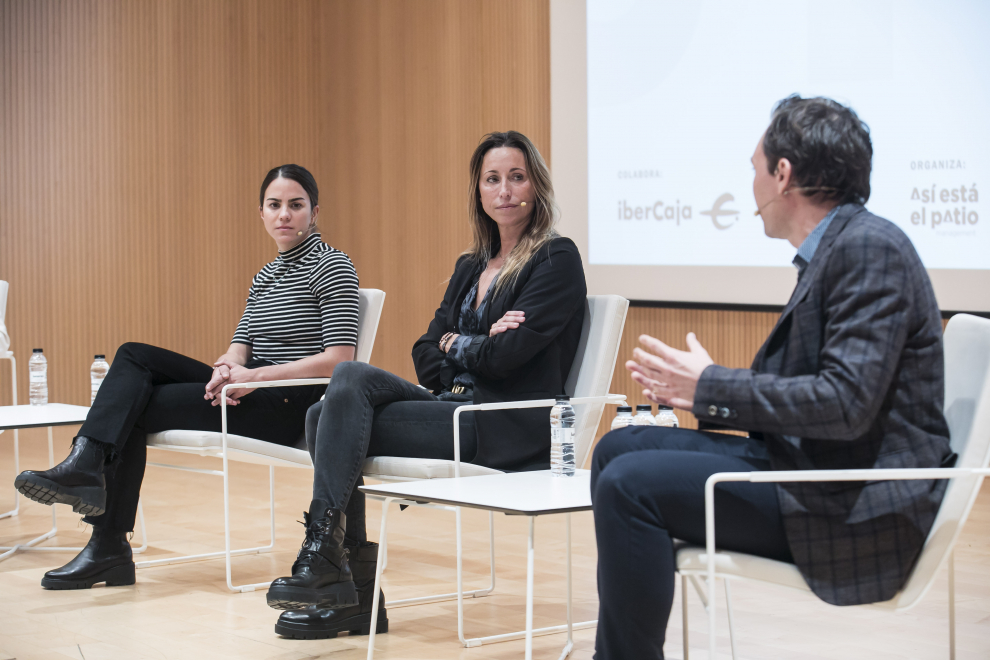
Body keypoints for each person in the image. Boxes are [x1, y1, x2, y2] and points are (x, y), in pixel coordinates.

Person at [591, 96, 954, 659]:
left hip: (854, 505)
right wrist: (703, 391)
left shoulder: (867, 249)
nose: (752, 187)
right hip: (815, 468)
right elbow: (818, 393)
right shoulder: (841, 247)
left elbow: (844, 404)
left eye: (755, 168)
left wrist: (709, 385)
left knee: (628, 484)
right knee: (617, 449)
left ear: (783, 175)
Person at [267, 130, 587, 640]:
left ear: (537, 186)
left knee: (328, 408)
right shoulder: (470, 266)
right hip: (453, 406)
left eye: (516, 177)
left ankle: (337, 572)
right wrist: (472, 343)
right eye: (492, 179)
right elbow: (424, 353)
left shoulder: (556, 259)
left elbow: (507, 360)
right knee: (329, 403)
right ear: (478, 192)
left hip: (504, 424)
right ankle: (341, 578)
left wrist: (457, 343)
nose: (504, 190)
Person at [15, 164, 360, 591]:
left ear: (315, 211)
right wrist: (225, 369)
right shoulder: (266, 275)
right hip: (248, 389)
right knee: (133, 357)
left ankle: (105, 537)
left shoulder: (333, 266)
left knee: (131, 405)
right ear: (262, 213)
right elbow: (240, 343)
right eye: (275, 205)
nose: (284, 214)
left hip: (290, 407)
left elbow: (339, 361)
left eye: (296, 205)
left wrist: (255, 375)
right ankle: (90, 481)